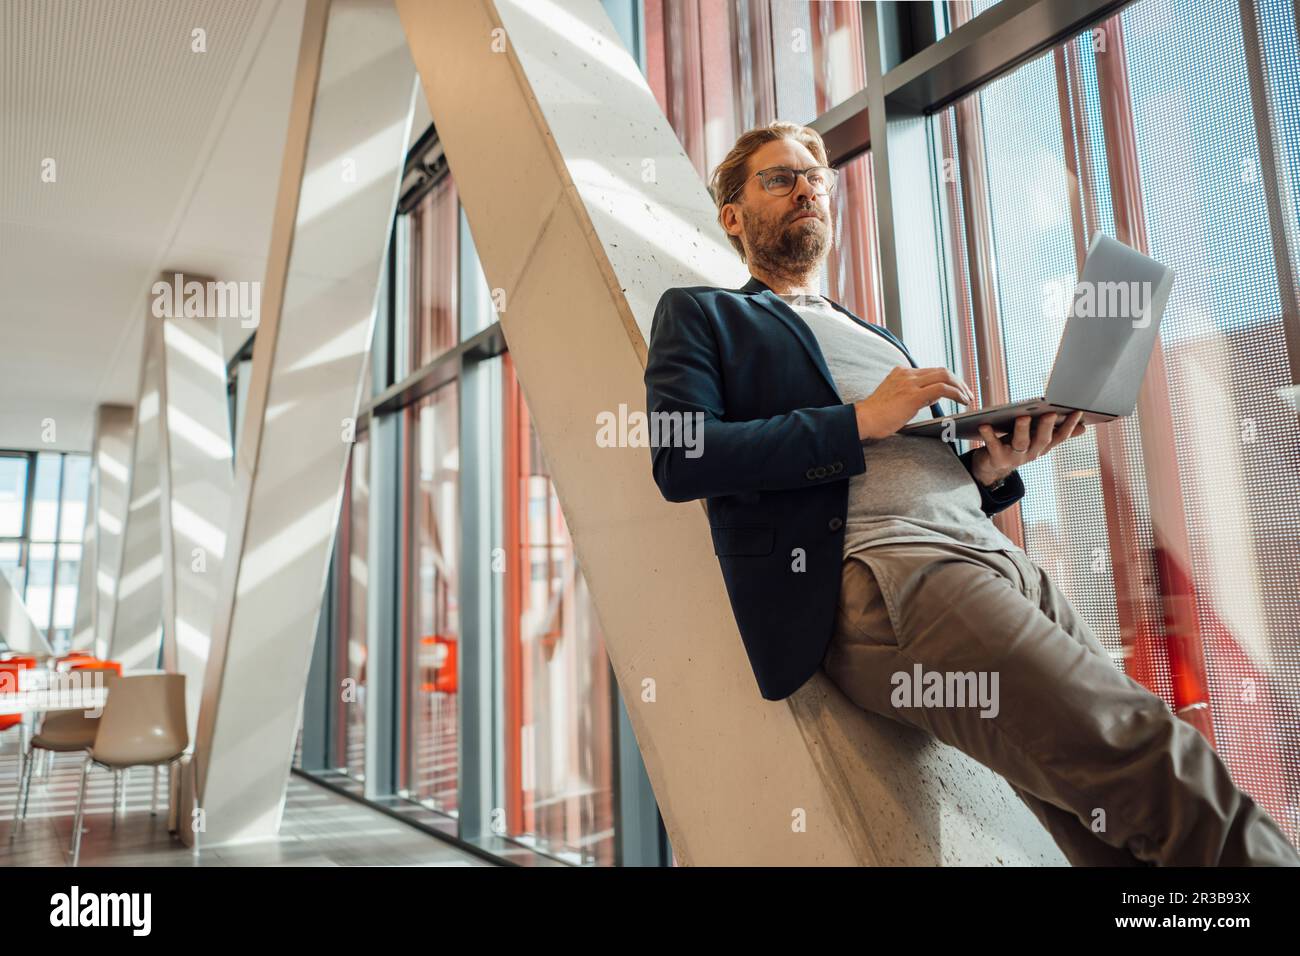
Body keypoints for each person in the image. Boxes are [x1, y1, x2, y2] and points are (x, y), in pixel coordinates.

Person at [642, 119, 1299, 867]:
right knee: (1144, 752)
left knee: (1092, 823)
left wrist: (991, 467)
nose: (806, 189)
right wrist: (862, 416)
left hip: (989, 556)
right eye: (779, 177)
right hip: (893, 576)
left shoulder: (876, 335)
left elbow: (904, 460)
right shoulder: (705, 316)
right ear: (733, 215)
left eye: (816, 177)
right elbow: (681, 455)